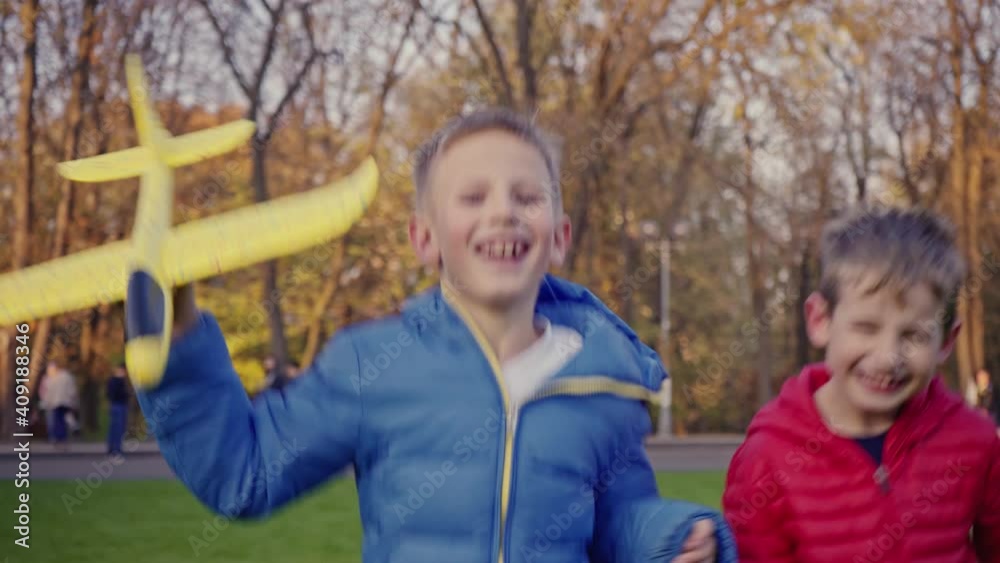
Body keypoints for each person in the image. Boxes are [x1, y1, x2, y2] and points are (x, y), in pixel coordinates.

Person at [135, 107, 736, 562]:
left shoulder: (605, 379)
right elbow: (246, 477)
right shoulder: (372, 364)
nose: (502, 211)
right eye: (473, 197)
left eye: (527, 197)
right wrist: (177, 334)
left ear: (559, 235)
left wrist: (670, 534)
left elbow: (617, 518)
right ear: (425, 239)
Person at [722, 206, 1000, 562]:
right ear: (820, 319)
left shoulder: (975, 441)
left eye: (914, 335)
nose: (887, 357)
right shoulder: (767, 460)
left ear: (946, 341)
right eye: (866, 327)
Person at [40, 360, 79, 450]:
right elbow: (72, 390)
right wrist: (73, 401)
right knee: (63, 420)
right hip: (66, 402)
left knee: (58, 421)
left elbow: (49, 392)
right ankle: (63, 438)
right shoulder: (67, 376)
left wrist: (46, 402)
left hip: (56, 403)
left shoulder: (53, 379)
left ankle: (59, 440)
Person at [106, 362, 131, 457]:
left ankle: (111, 448)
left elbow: (108, 393)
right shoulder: (119, 381)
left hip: (114, 405)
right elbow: (120, 394)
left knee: (113, 428)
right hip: (120, 405)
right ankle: (116, 450)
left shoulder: (111, 380)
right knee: (118, 429)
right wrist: (128, 393)